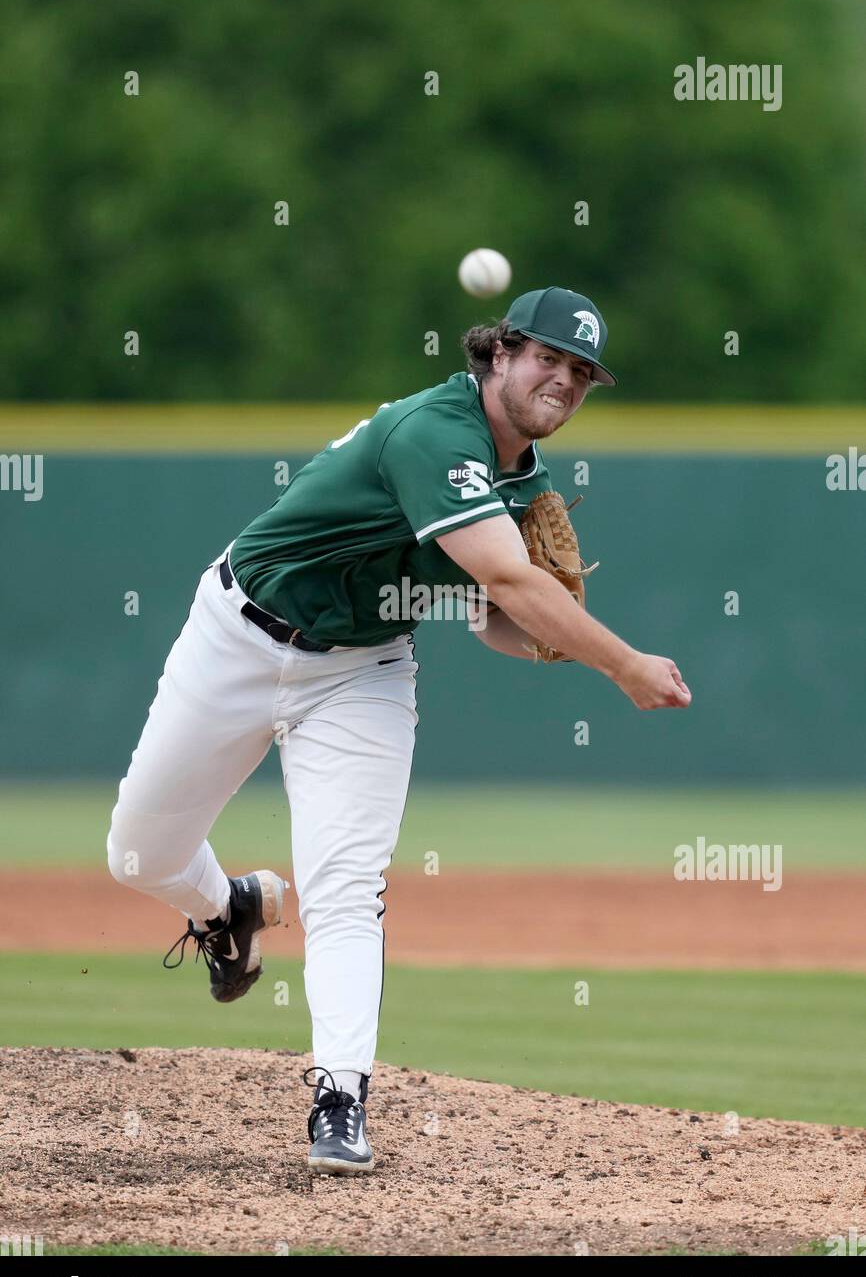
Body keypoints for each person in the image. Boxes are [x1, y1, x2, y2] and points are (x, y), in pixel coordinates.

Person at [107, 287, 691, 1176]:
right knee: (138, 856)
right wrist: (622, 662)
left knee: (347, 885)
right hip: (237, 633)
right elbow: (510, 578)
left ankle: (339, 1097)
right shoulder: (436, 435)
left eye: (582, 374)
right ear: (498, 354)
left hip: (361, 672)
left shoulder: (521, 480)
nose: (564, 382)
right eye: (547, 359)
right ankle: (226, 908)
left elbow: (496, 615)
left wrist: (553, 632)